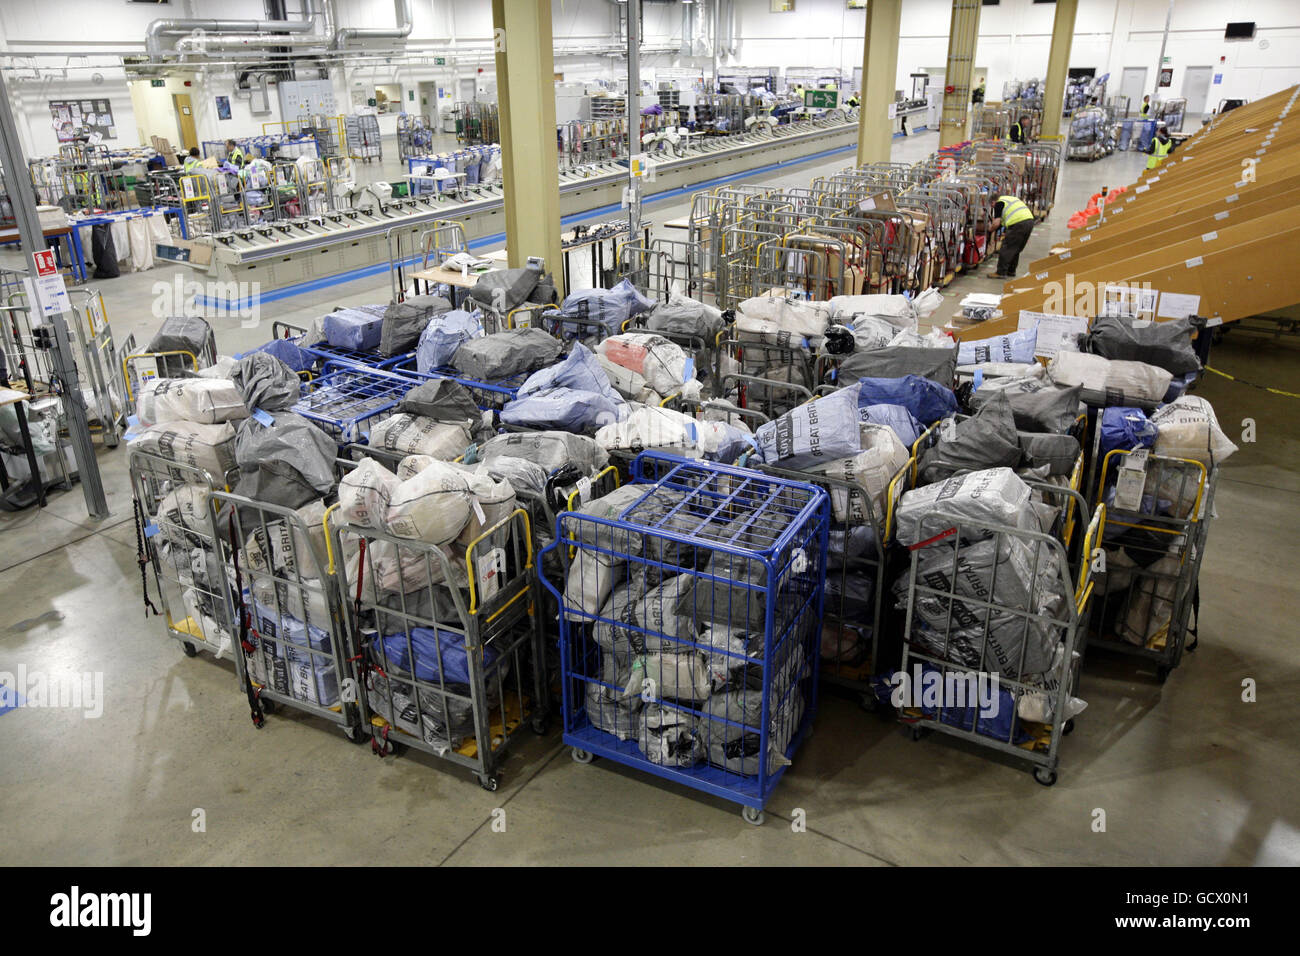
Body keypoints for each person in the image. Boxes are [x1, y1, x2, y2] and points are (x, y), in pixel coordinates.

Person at [987, 194, 1035, 279]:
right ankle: (1011, 271)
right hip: (1029, 221)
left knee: (1006, 248)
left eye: (992, 205)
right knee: (1015, 248)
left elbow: (996, 223)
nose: (993, 208)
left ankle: (1001, 272)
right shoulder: (1010, 199)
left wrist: (989, 230)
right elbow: (1002, 223)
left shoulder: (999, 203)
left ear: (993, 202)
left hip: (1018, 223)